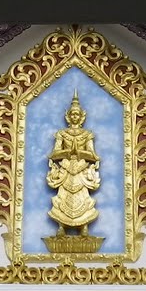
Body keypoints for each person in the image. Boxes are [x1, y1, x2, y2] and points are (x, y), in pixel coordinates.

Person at [46, 92, 100, 234]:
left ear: (81, 116)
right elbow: (55, 153)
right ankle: (62, 226)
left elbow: (93, 155)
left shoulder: (87, 134)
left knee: (83, 198)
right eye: (72, 114)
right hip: (66, 168)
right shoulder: (62, 134)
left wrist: (79, 153)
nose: (74, 117)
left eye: (77, 114)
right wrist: (68, 153)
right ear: (68, 116)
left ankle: (84, 226)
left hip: (81, 169)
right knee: (63, 198)